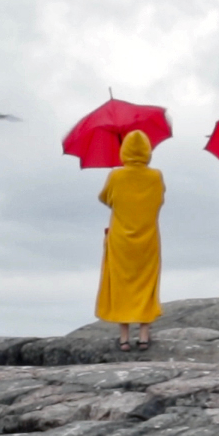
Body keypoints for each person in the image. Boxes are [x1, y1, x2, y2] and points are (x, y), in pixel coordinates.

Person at [96, 129, 165, 351]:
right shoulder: (155, 176)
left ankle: (124, 338)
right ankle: (144, 336)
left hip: (120, 239)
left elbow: (105, 198)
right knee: (146, 282)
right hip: (147, 238)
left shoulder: (116, 175)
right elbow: (159, 200)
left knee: (121, 283)